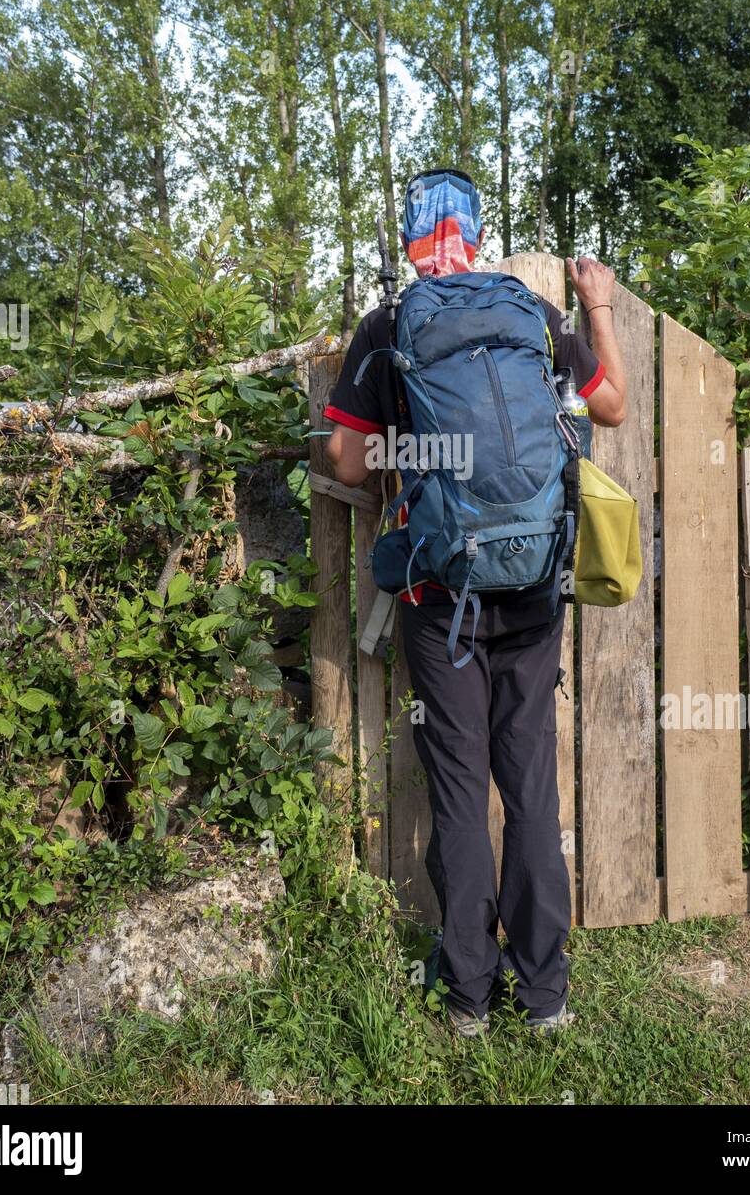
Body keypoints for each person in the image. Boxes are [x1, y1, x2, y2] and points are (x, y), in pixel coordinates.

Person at [324, 167, 627, 1036]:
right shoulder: (531, 315)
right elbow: (607, 404)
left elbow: (349, 466)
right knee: (530, 786)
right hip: (534, 588)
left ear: (412, 240)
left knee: (458, 790)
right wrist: (595, 300)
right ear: (478, 233)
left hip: (439, 591)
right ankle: (546, 997)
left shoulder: (389, 326)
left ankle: (467, 998)